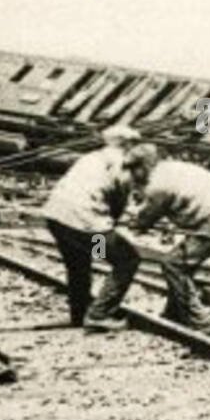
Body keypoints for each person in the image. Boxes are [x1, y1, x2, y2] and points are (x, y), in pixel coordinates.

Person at [124, 148, 210, 331]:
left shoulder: (158, 186)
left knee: (173, 264)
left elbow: (145, 219)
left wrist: (135, 223)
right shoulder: (166, 168)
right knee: (182, 266)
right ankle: (175, 311)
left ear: (146, 165)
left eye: (133, 169)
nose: (131, 174)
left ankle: (201, 320)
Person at [40, 125, 141, 330]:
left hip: (56, 217)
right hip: (85, 221)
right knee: (127, 259)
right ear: (128, 144)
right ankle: (99, 314)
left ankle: (79, 315)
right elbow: (119, 201)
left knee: (79, 264)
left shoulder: (91, 157)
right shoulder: (122, 163)